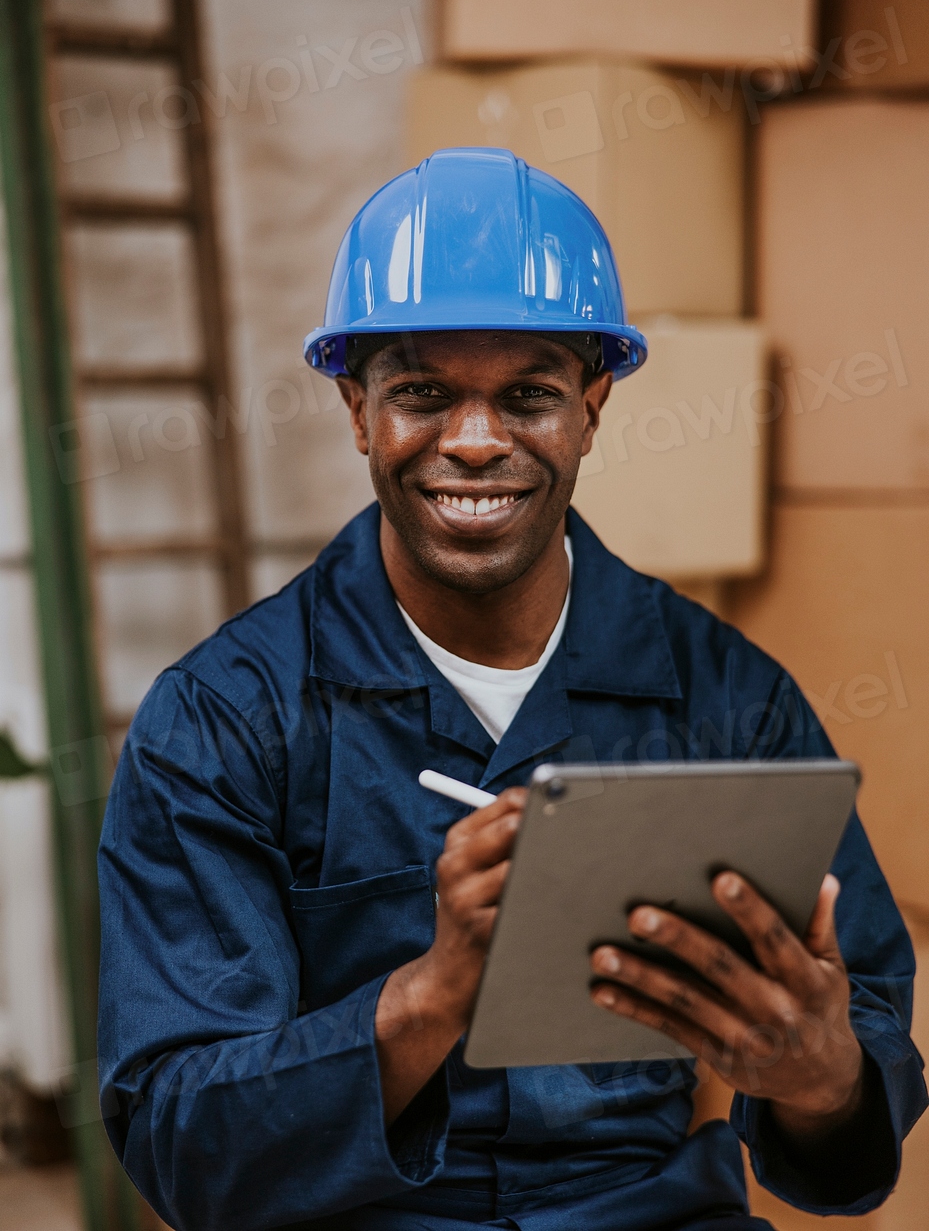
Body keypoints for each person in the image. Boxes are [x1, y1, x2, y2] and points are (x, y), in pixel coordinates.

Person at [98, 148, 926, 1231]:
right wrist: (431, 995)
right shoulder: (222, 721)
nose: (475, 441)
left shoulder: (727, 698)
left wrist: (819, 1079)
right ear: (357, 409)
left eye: (528, 395)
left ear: (592, 405)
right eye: (421, 394)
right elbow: (177, 1141)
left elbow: (853, 1095)